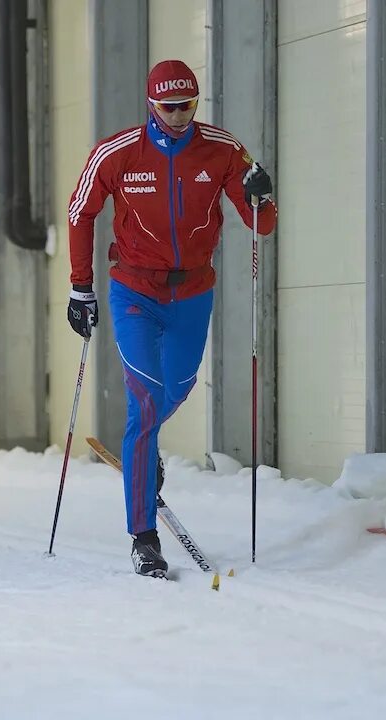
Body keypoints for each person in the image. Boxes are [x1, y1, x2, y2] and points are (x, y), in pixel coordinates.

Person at [65, 59, 277, 577]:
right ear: (151, 104)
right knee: (143, 400)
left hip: (192, 292)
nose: (179, 116)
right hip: (134, 290)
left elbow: (262, 225)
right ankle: (143, 536)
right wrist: (80, 288)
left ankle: (148, 448)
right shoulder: (117, 153)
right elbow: (80, 212)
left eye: (188, 106)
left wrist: (261, 195)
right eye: (169, 107)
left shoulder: (224, 149)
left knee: (174, 391)